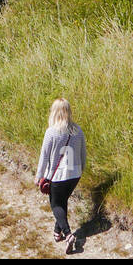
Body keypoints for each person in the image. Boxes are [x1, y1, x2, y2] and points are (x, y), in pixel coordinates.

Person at [35, 98, 87, 254]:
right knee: (62, 201)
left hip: (58, 176)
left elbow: (44, 156)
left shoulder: (51, 132)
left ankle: (68, 234)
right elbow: (83, 154)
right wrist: (81, 171)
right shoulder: (78, 130)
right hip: (75, 174)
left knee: (56, 205)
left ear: (54, 112)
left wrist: (39, 176)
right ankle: (57, 233)